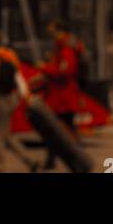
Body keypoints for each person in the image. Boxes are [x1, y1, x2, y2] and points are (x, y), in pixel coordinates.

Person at [0, 25, 39, 173]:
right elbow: (18, 77)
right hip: (13, 98)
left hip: (1, 99)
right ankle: (30, 161)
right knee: (7, 135)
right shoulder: (11, 54)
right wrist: (26, 96)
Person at [38, 20, 81, 169]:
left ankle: (75, 159)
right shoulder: (62, 47)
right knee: (61, 129)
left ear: (59, 31)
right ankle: (59, 160)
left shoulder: (66, 49)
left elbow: (64, 71)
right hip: (61, 97)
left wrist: (45, 68)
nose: (50, 33)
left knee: (55, 129)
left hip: (63, 97)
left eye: (52, 30)